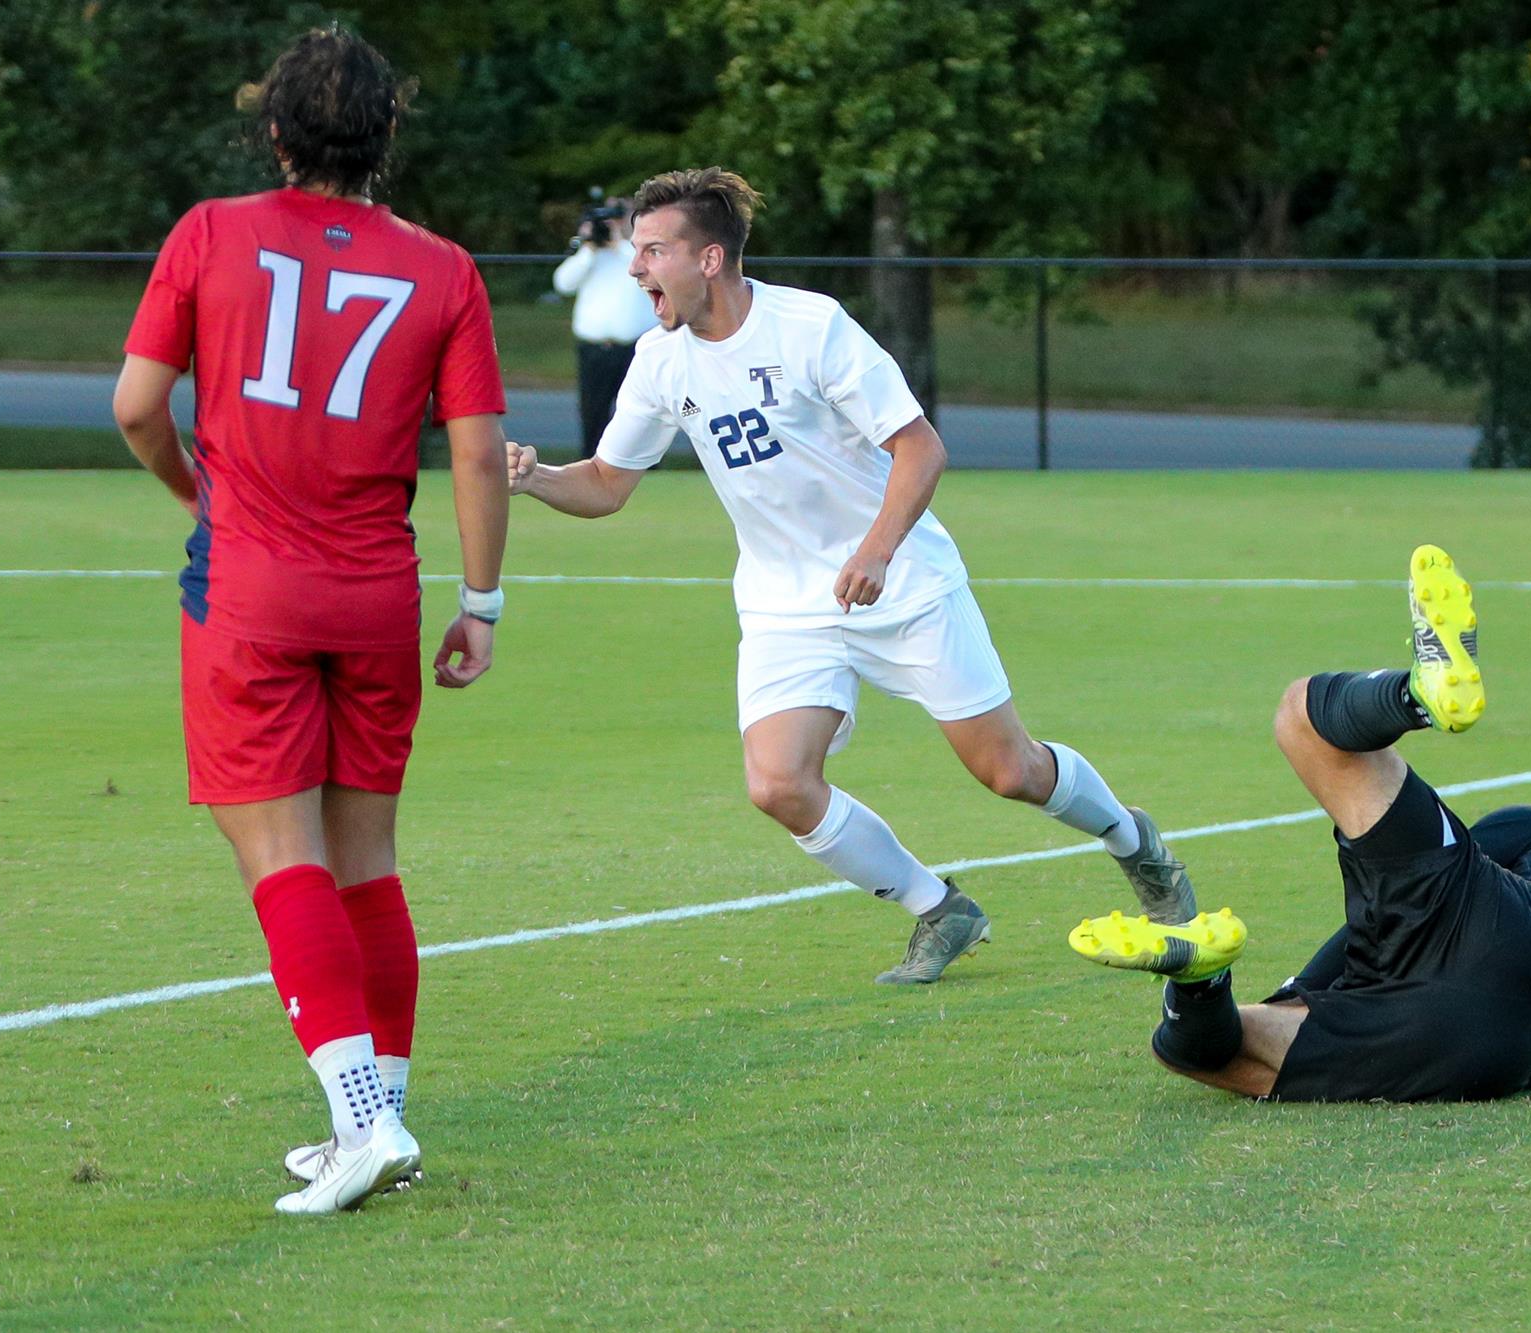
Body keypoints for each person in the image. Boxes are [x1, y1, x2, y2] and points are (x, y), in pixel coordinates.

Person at [508, 166, 1201, 984]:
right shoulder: (660, 361)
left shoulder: (810, 327)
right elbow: (606, 483)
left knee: (1009, 770)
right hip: (785, 604)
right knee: (778, 783)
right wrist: (536, 477)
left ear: (709, 259)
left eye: (653, 250)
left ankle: (1132, 838)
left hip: (902, 583)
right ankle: (938, 907)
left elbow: (920, 448)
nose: (634, 268)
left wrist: (875, 550)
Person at [111, 26, 510, 1212]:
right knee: (366, 860)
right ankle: (373, 1119)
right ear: (388, 132)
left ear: (274, 129)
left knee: (281, 858)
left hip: (252, 591)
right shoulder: (445, 269)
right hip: (378, 592)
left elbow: (136, 407)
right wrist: (480, 602)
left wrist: (195, 489)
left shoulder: (210, 233)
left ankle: (364, 1121)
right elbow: (477, 452)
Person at [1069, 545, 1531, 1102]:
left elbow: (1412, 899)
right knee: (1208, 1053)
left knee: (1303, 718)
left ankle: (1417, 696)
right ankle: (1200, 983)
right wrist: (1306, 1002)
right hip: (1482, 1052)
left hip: (1509, 938)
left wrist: (1312, 986)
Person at [553, 194, 659, 457]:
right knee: (593, 412)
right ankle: (591, 464)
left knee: (641, 415)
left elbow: (651, 273)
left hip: (636, 349)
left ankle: (645, 466)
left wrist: (618, 243)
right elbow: (563, 284)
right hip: (594, 349)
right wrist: (589, 248)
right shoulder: (589, 256)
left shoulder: (638, 255)